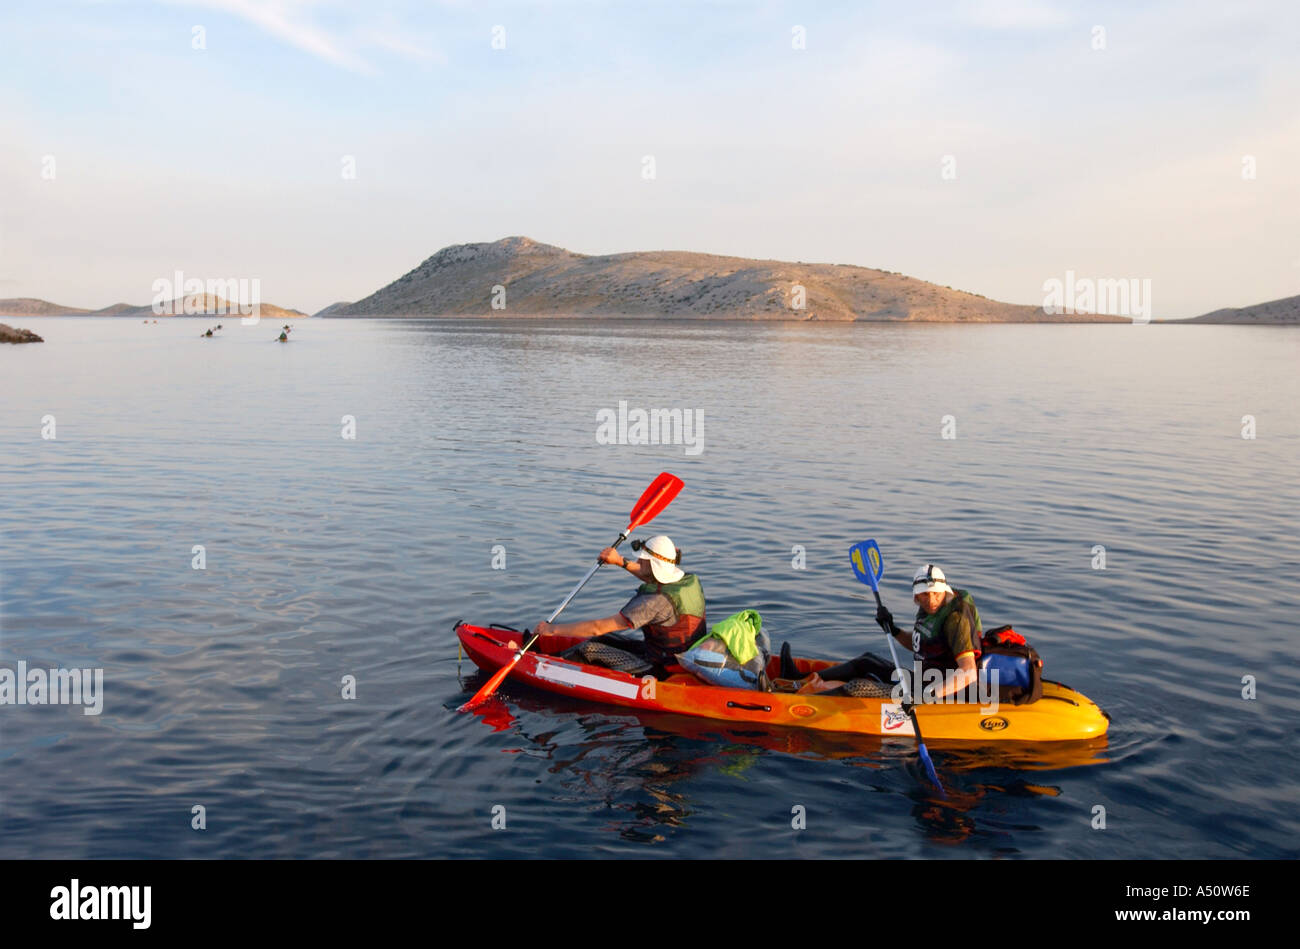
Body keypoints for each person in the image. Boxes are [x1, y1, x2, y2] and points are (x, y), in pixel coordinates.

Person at [794, 563, 981, 699]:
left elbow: (969, 671)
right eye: (924, 594)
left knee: (858, 688)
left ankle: (802, 702)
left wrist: (928, 695)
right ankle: (798, 682)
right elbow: (920, 645)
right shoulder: (930, 609)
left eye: (935, 594)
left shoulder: (956, 618)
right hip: (922, 681)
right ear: (916, 596)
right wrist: (893, 629)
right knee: (865, 661)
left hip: (945, 693)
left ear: (944, 591)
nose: (930, 599)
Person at [533, 534, 707, 677]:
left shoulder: (653, 602)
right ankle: (548, 657)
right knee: (603, 641)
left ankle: (541, 668)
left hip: (662, 670)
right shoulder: (689, 581)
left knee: (589, 648)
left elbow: (597, 627)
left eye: (642, 559)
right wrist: (620, 561)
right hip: (679, 659)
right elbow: (653, 577)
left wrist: (551, 630)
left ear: (651, 564)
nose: (638, 561)